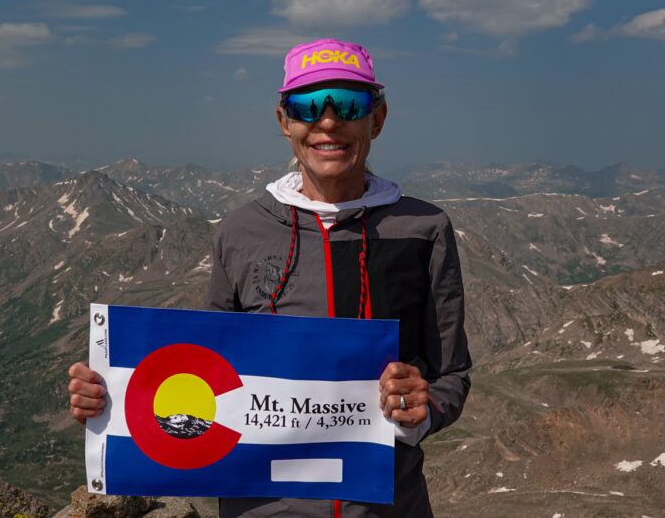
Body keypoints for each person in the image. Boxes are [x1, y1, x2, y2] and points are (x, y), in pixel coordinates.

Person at [68, 37, 471, 517]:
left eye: (348, 103)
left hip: (389, 505)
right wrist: (109, 397)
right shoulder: (240, 231)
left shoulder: (425, 230)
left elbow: (451, 374)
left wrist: (421, 413)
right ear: (284, 121)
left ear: (377, 118)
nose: (327, 121)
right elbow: (207, 373)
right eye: (307, 106)